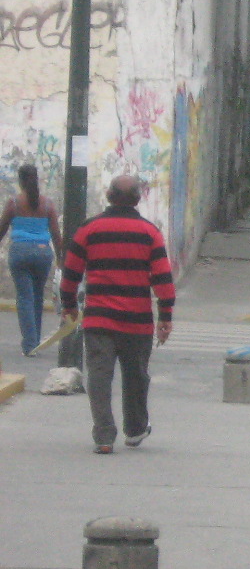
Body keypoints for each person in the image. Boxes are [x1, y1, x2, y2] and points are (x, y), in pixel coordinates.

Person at [59, 175, 175, 454]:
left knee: (99, 376)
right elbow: (162, 279)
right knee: (136, 376)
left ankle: (103, 436)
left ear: (109, 196)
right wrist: (165, 317)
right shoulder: (150, 233)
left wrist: (70, 307)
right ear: (138, 199)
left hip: (99, 319)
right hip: (137, 321)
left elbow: (70, 274)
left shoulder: (89, 229)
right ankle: (135, 430)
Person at [0, 163, 64, 355]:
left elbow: (2, 229)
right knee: (37, 297)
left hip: (20, 252)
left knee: (24, 297)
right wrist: (61, 259)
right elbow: (55, 233)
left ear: (20, 181)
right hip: (43, 253)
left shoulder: (14, 203)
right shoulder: (47, 204)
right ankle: (35, 342)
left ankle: (30, 345)